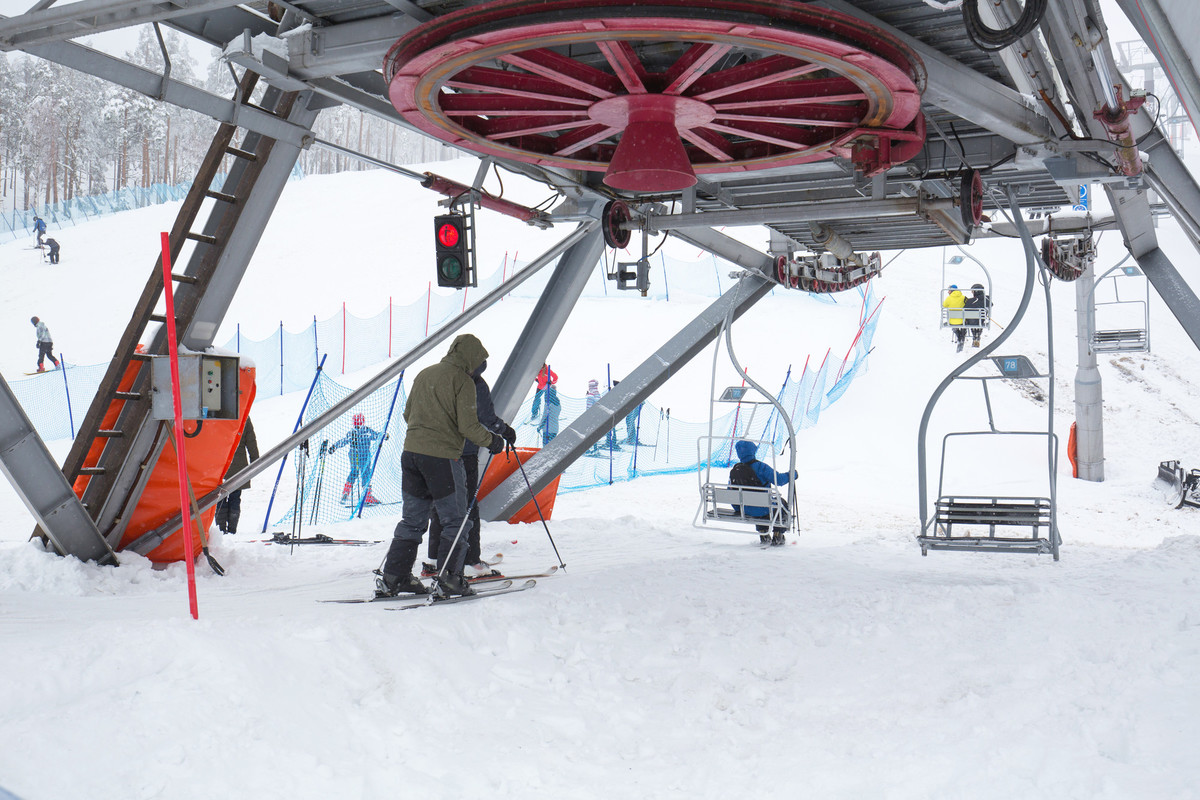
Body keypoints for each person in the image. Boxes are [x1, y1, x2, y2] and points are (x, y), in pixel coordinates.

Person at [375, 333, 508, 598]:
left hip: (411, 455)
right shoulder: (462, 381)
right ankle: (450, 579)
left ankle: (395, 576)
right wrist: (492, 440)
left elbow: (407, 413)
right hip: (442, 459)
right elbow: (468, 426)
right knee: (456, 520)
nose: (476, 370)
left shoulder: (425, 374)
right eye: (478, 364)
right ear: (471, 359)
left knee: (413, 520)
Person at [423, 357, 515, 577]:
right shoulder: (474, 383)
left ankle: (436, 559)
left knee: (441, 505)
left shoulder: (439, 377)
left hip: (435, 451)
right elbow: (484, 417)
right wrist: (503, 432)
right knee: (467, 507)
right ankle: (469, 560)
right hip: (463, 453)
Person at [729, 440, 797, 545]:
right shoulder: (761, 467)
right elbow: (779, 480)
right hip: (763, 507)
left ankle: (763, 532)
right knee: (781, 504)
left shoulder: (736, 470)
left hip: (745, 508)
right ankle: (778, 534)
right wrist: (791, 475)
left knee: (757, 503)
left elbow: (731, 492)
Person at [329, 412, 385, 506]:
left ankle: (346, 492)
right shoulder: (365, 431)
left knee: (354, 472)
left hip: (355, 455)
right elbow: (376, 436)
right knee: (365, 472)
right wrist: (383, 435)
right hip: (361, 456)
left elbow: (344, 441)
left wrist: (335, 446)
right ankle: (367, 495)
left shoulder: (354, 432)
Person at [215, 417, 259, 534]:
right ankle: (232, 530)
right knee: (235, 498)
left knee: (220, 499)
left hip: (220, 465)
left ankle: (221, 530)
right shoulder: (244, 416)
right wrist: (255, 460)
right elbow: (251, 440)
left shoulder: (219, 414)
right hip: (238, 468)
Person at [533, 365, 561, 446]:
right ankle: (534, 413)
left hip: (546, 387)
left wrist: (551, 383)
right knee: (536, 399)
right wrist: (537, 380)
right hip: (540, 386)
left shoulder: (547, 370)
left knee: (546, 447)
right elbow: (533, 377)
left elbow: (555, 377)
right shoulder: (558, 403)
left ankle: (535, 413)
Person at [964, 283, 992, 348]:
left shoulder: (971, 300)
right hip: (981, 320)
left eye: (973, 291)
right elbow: (991, 304)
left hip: (971, 321)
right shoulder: (986, 299)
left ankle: (974, 335)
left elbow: (965, 307)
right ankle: (977, 335)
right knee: (979, 321)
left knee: (971, 320)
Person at [942, 284, 967, 352]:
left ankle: (959, 336)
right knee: (964, 325)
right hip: (962, 320)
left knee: (954, 324)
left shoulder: (949, 298)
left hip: (952, 321)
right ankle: (962, 337)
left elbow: (944, 305)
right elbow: (967, 304)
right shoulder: (963, 297)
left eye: (949, 290)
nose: (948, 292)